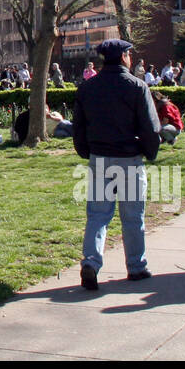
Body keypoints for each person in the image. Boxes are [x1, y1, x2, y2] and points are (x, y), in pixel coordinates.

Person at [72, 39, 162, 290]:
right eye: (129, 54)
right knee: (133, 216)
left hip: (99, 157)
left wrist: (85, 151)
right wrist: (150, 151)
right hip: (129, 158)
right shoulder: (137, 86)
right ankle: (136, 266)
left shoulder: (87, 88)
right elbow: (150, 127)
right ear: (123, 57)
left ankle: (91, 261)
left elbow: (79, 127)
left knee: (98, 215)